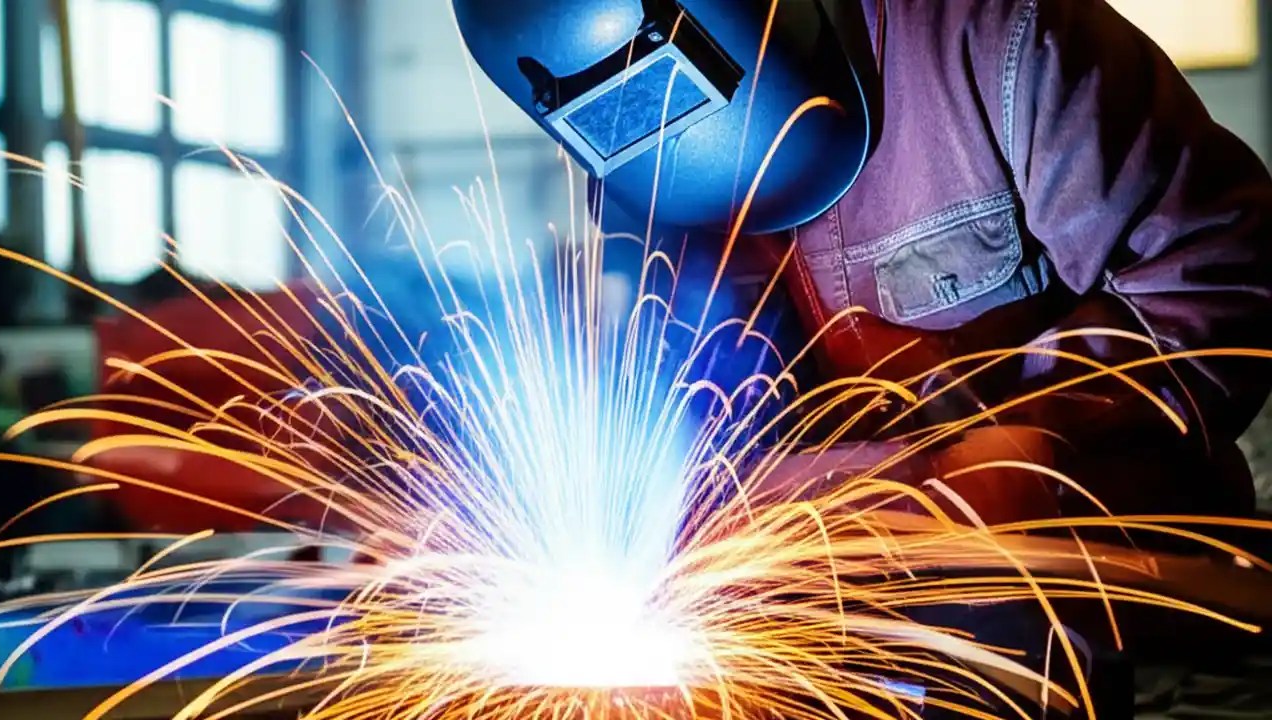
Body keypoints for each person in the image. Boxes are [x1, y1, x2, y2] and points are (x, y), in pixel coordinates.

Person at [453, 0, 1272, 714]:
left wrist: (1042, 433)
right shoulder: (628, 154)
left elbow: (1227, 267)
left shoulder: (993, 34)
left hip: (1107, 602)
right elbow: (683, 378)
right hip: (830, 629)